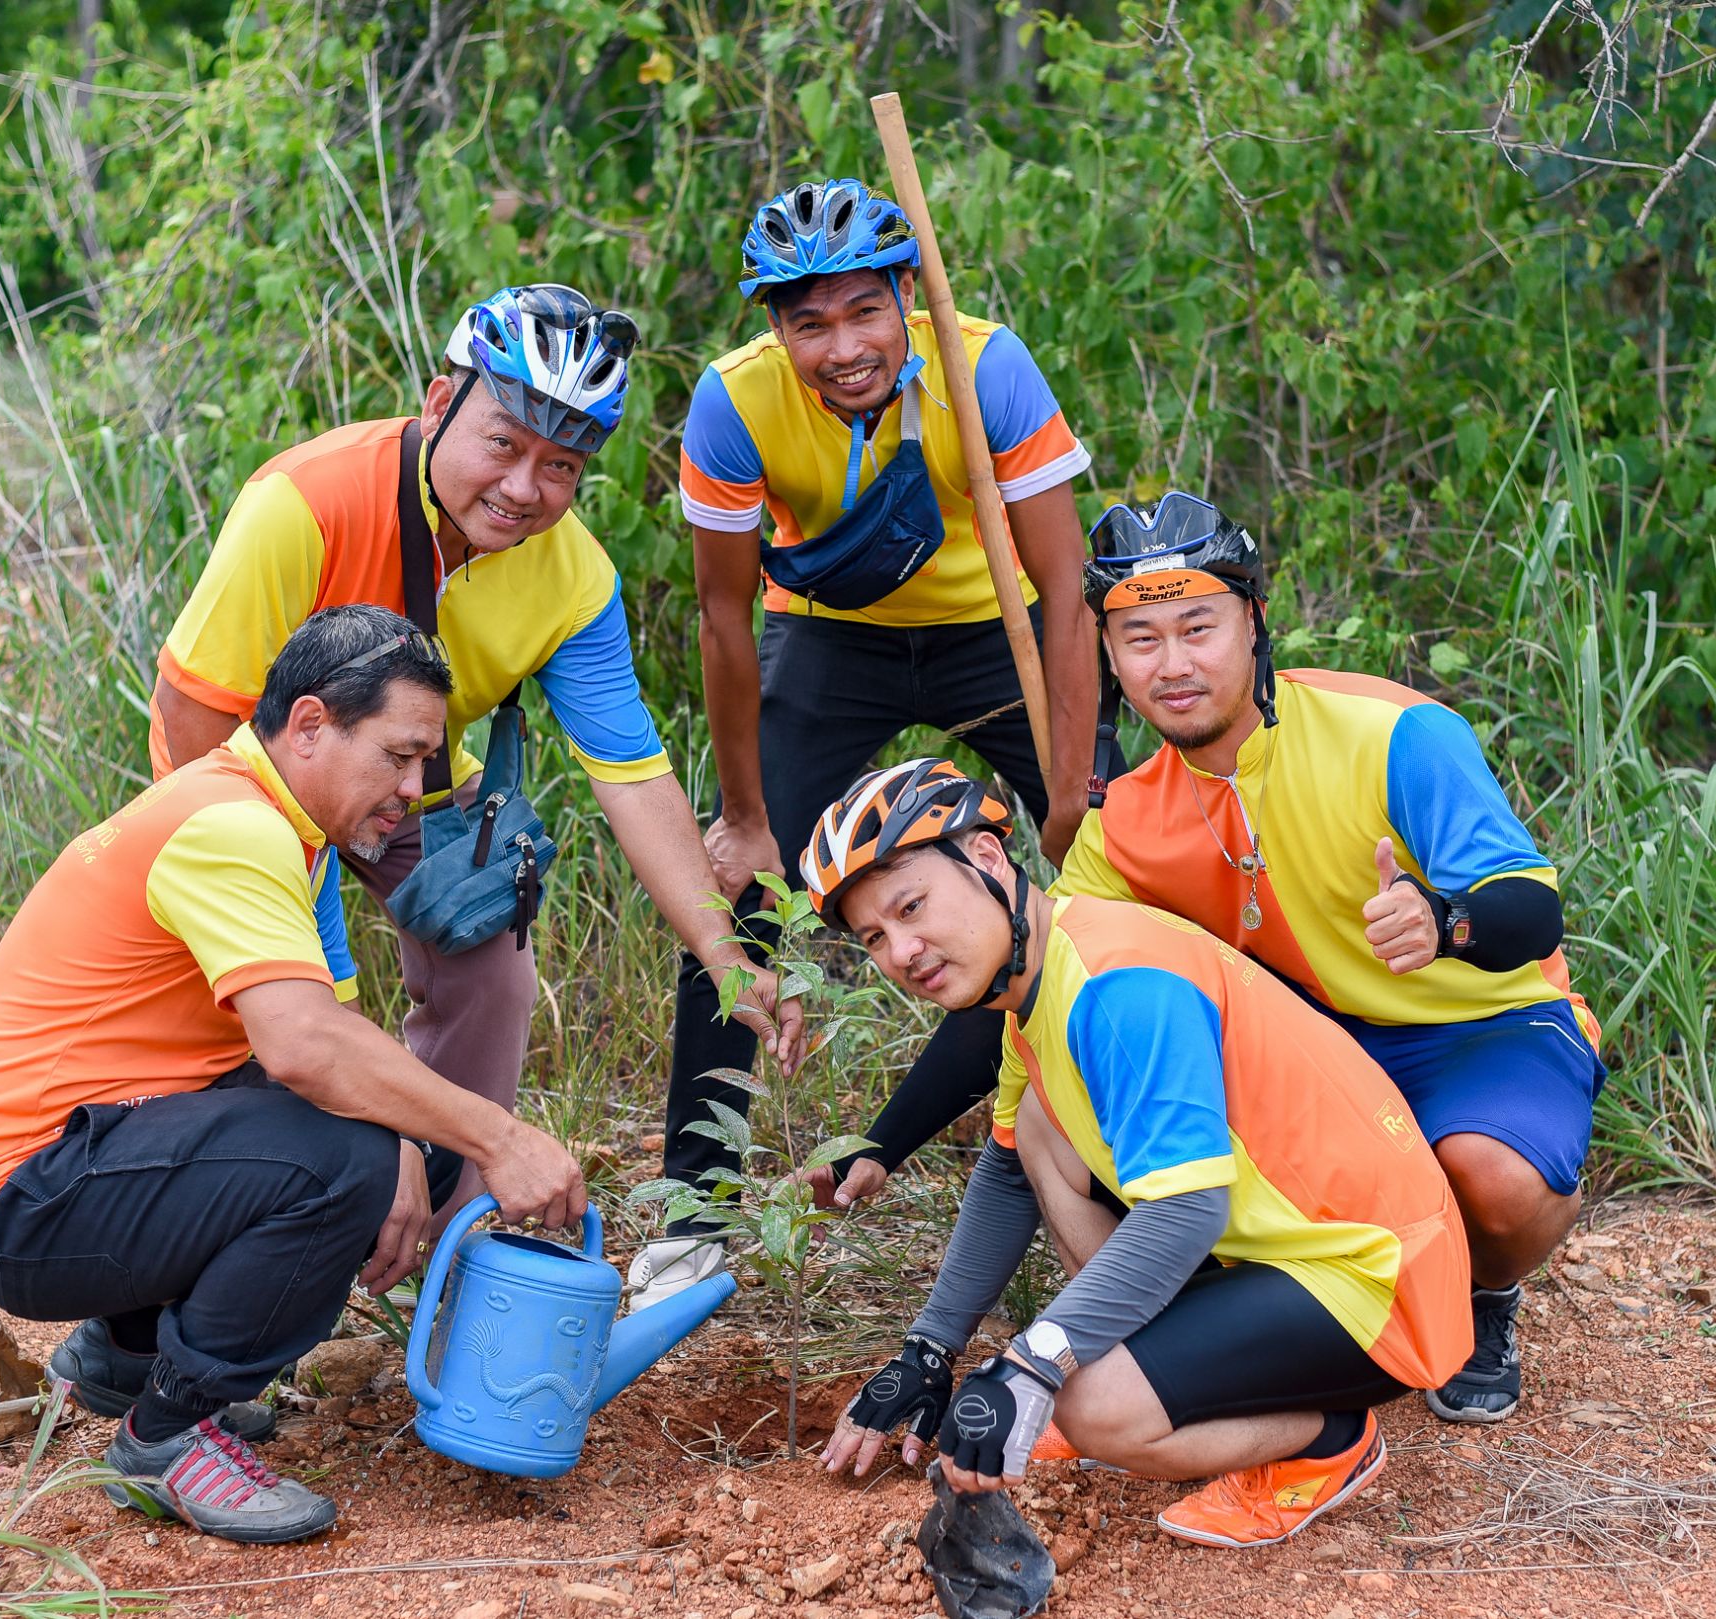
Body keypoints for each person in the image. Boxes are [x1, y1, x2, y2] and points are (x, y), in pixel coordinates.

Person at [0, 607, 590, 1544]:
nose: (412, 790)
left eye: (423, 764)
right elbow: (302, 1047)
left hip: (68, 1161)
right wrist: (500, 1134)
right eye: (398, 756)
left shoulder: (260, 811)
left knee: (407, 1144)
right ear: (311, 723)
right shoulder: (235, 826)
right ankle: (171, 1433)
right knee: (354, 1159)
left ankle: (126, 1355)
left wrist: (427, 1133)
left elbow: (288, 1049)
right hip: (23, 1199)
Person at [149, 285, 801, 1228]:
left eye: (562, 464)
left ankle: (437, 1232)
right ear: (437, 403)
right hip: (248, 783)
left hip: (413, 788)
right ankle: (257, 1229)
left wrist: (723, 950)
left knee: (490, 968)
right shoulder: (306, 502)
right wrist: (288, 923)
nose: (525, 488)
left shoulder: (575, 578)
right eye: (502, 442)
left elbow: (633, 772)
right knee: (267, 1016)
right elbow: (193, 710)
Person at [633, 178, 1102, 1307]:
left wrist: (1078, 786)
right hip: (828, 637)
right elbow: (722, 615)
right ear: (771, 325)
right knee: (740, 888)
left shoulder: (983, 365)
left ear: (906, 293)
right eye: (807, 322)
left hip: (992, 632)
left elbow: (1065, 590)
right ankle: (693, 1212)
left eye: (863, 313)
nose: (840, 347)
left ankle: (1101, 1145)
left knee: (1106, 869)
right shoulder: (732, 403)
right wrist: (745, 817)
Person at [803, 759, 1472, 1548]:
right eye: (876, 936)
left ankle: (1328, 1440)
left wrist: (1034, 1363)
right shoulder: (1034, 986)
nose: (904, 950)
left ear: (986, 859)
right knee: (1036, 1136)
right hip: (1281, 1254)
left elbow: (1188, 1208)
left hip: (1378, 1276)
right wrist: (929, 1345)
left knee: (1087, 1405)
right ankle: (1161, 1377)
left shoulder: (1118, 986)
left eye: (912, 905)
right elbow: (1011, 1174)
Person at [1054, 491, 1604, 1424]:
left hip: (1482, 1022)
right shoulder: (1121, 826)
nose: (1174, 664)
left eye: (1199, 626)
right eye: (1140, 638)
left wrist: (1445, 920)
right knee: (1101, 1119)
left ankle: (1484, 1289)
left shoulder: (1390, 730)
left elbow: (1533, 910)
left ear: (1255, 621)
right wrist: (884, 1146)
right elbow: (1039, 975)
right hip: (1323, 1047)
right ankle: (1244, 1322)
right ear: (1110, 658)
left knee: (1493, 1178)